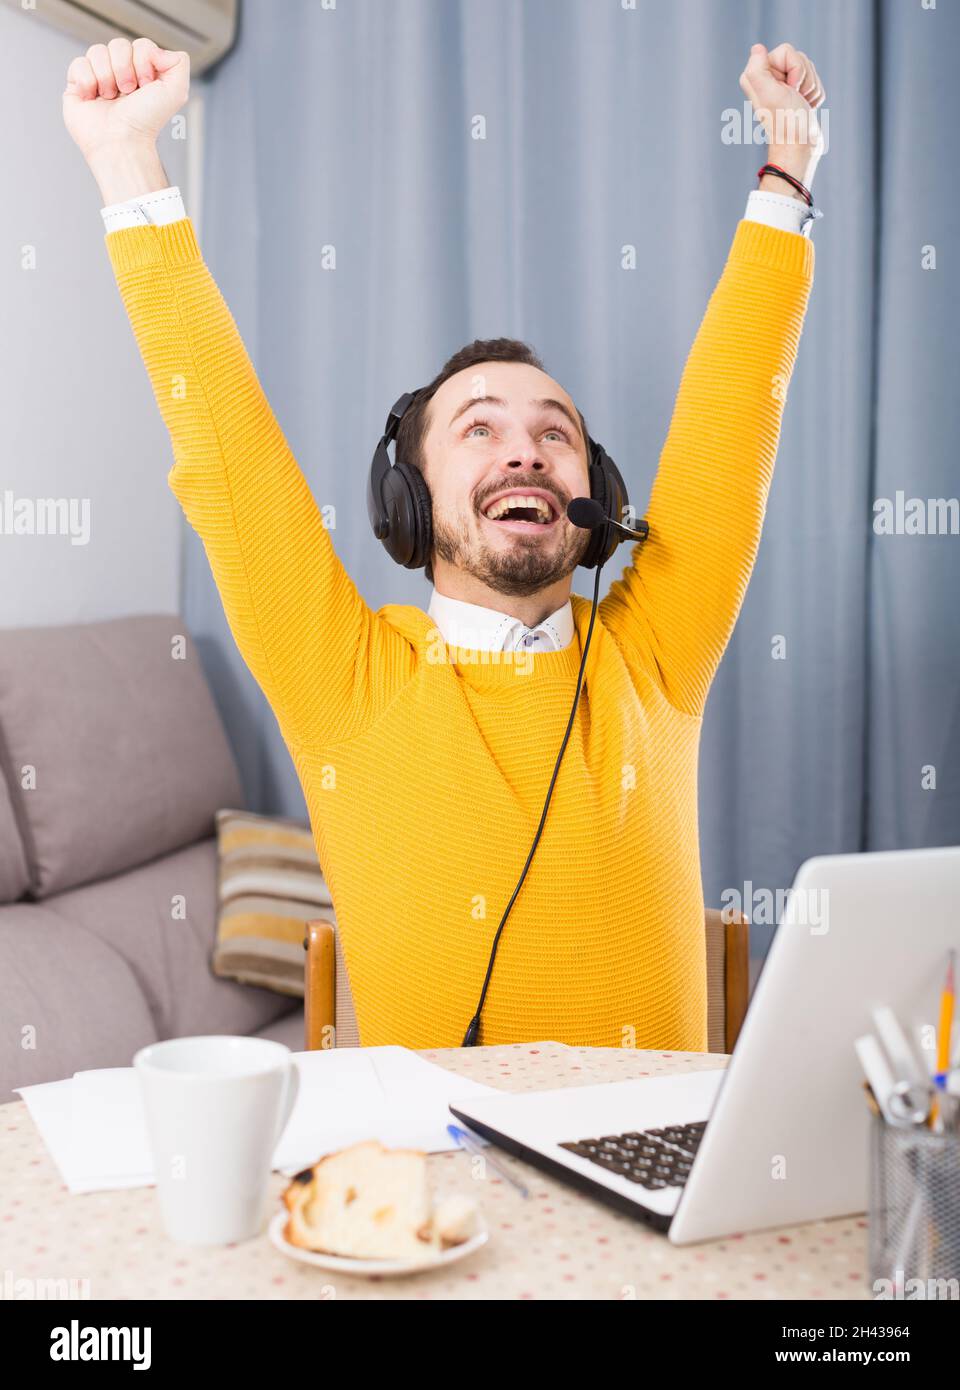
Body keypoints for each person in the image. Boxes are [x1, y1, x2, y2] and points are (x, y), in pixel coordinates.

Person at [63, 36, 823, 1049]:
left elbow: (733, 424)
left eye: (556, 433)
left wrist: (789, 166)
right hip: (437, 1192)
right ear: (409, 502)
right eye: (480, 430)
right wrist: (127, 162)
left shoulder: (651, 658)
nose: (528, 452)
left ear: (592, 495)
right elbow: (225, 451)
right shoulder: (344, 676)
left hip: (660, 1190)